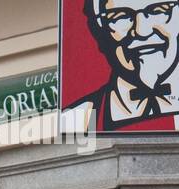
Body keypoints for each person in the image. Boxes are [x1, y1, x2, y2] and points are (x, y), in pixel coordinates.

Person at [67, 0, 179, 132]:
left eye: (158, 10)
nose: (142, 31)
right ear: (99, 31)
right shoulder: (73, 122)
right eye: (120, 16)